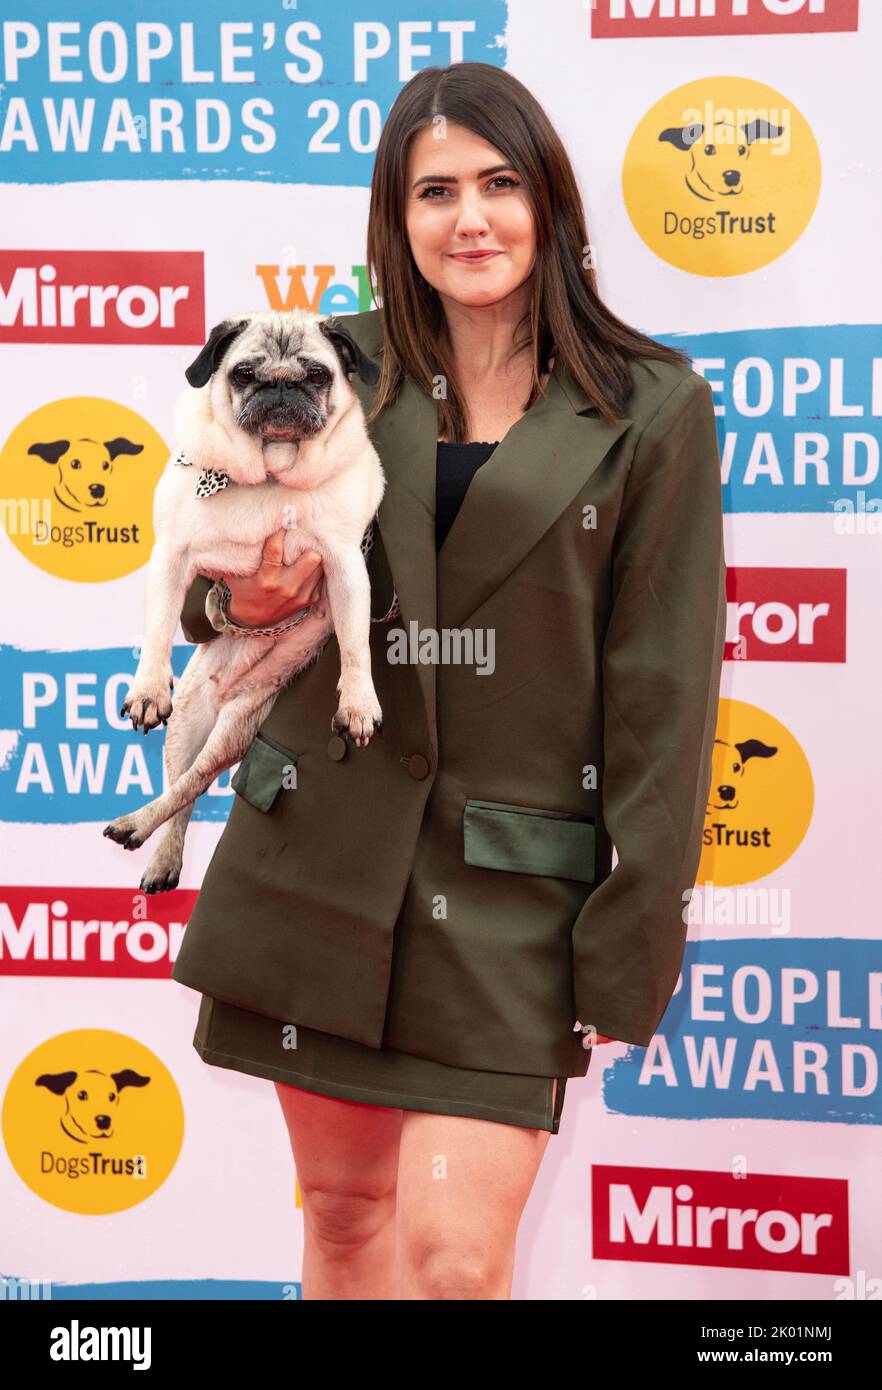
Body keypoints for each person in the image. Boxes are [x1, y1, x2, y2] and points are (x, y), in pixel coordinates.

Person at [172, 62, 726, 1300]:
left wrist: (633, 936)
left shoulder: (652, 408)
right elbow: (220, 546)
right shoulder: (326, 364)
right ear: (395, 217)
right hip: (317, 862)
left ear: (550, 203)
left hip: (511, 901)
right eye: (434, 192)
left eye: (498, 183)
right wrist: (231, 599)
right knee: (350, 1227)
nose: (469, 219)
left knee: (458, 1262)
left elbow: (663, 693)